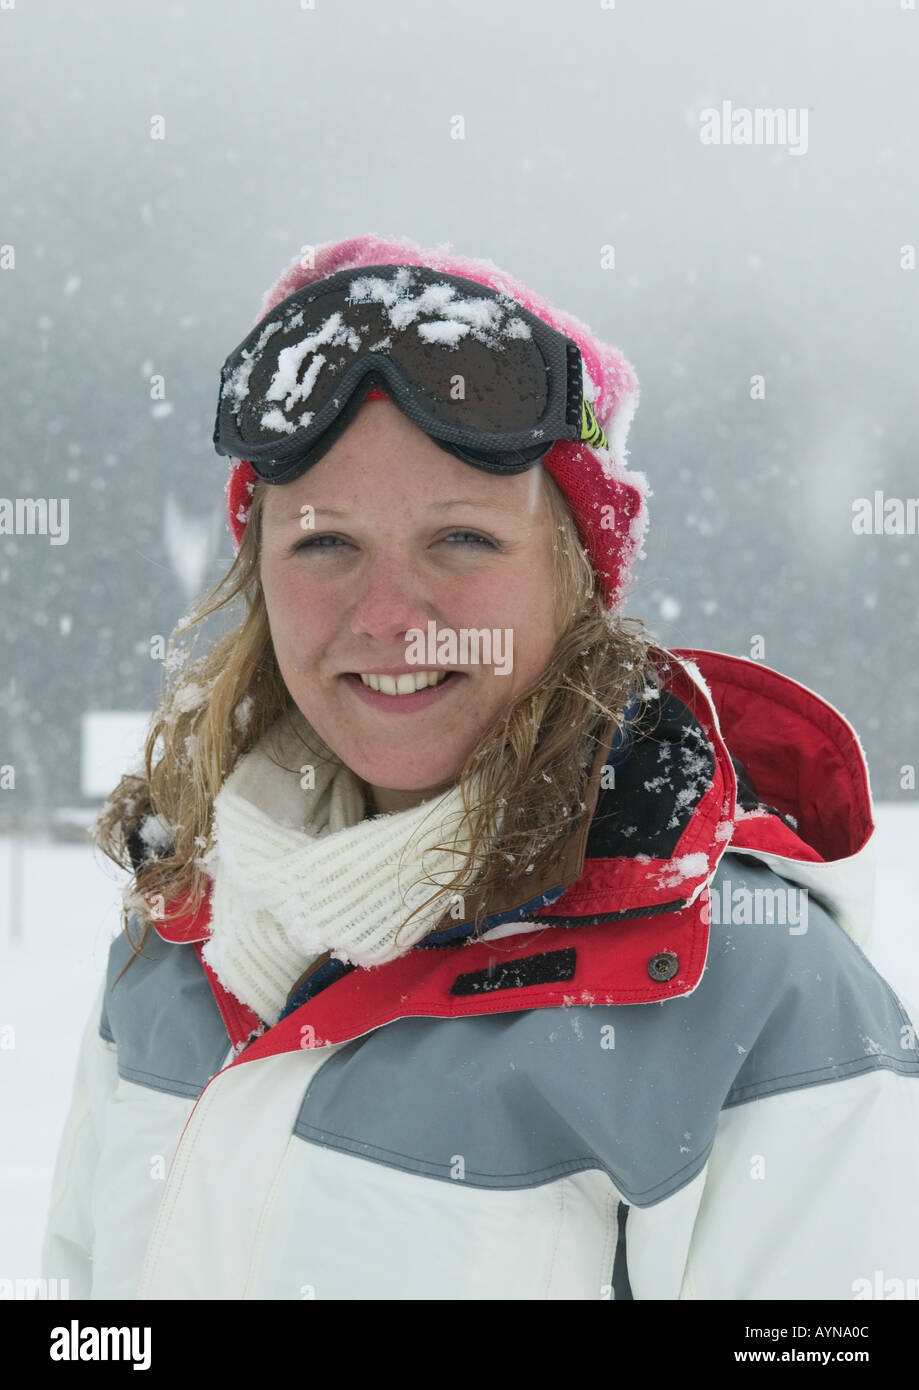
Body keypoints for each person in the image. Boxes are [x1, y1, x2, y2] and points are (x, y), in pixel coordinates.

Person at [41, 233, 919, 1301]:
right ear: (259, 575)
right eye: (324, 542)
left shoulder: (761, 1006)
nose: (386, 617)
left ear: (575, 577)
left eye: (460, 539)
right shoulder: (174, 942)